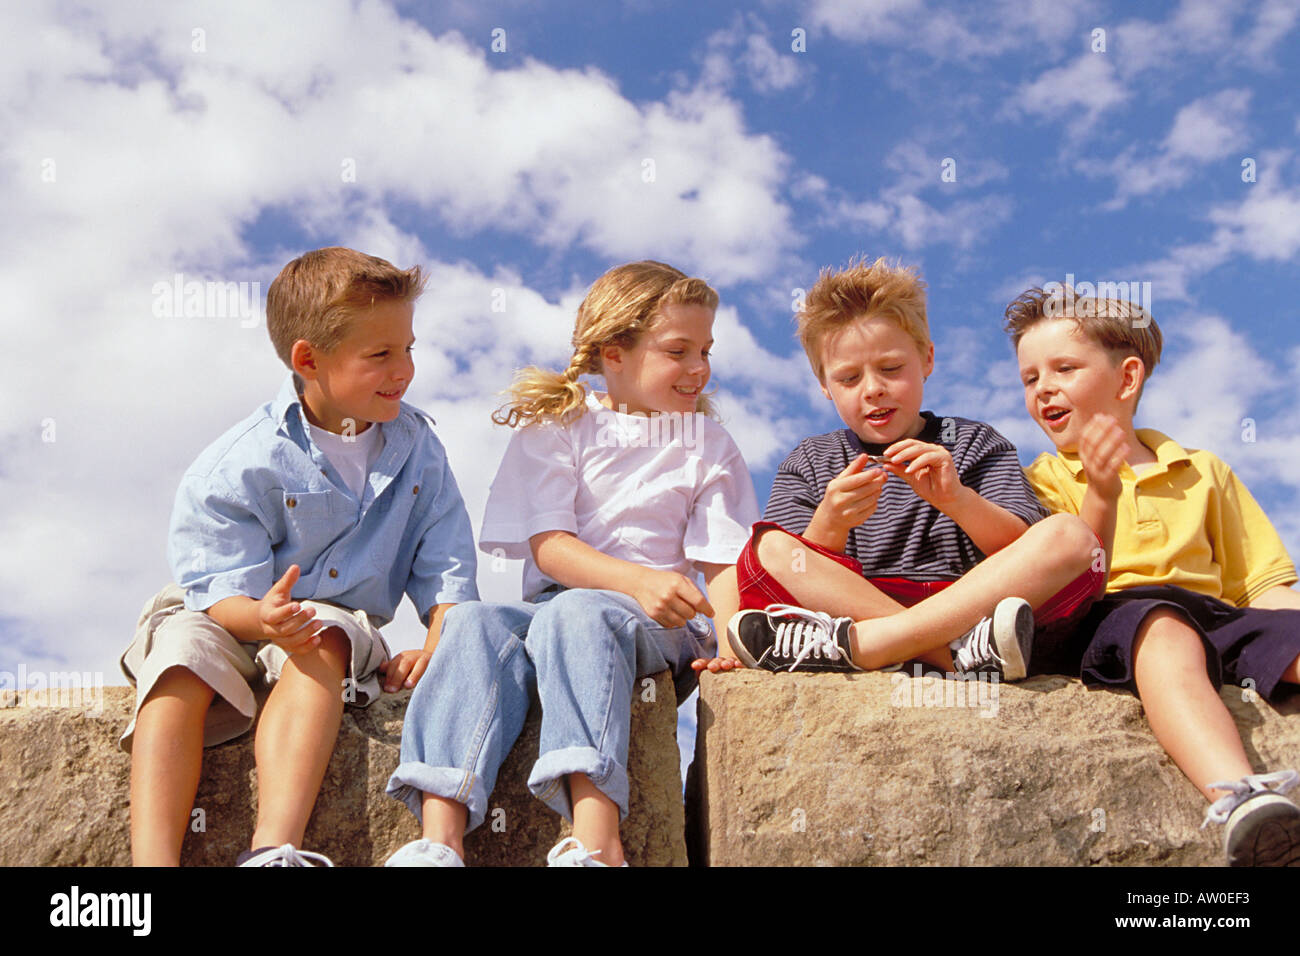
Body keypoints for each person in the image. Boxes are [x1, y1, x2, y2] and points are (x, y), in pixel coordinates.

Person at [385, 260, 758, 867]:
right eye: (678, 350)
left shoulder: (708, 444)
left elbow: (722, 562)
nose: (700, 369)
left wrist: (732, 643)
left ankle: (595, 841)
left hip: (656, 624)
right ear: (615, 353)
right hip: (554, 609)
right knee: (474, 622)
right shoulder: (560, 423)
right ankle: (439, 838)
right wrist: (635, 577)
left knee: (578, 613)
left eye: (705, 351)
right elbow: (550, 547)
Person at [122, 247, 478, 866]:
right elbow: (213, 584)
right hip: (230, 615)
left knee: (322, 636)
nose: (405, 370)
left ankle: (273, 850)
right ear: (308, 360)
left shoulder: (420, 453)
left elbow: (448, 570)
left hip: (331, 625)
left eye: (409, 349)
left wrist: (436, 642)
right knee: (177, 656)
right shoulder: (238, 461)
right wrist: (261, 621)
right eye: (381, 355)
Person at [1009, 282, 1300, 866]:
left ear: (1127, 377)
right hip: (1119, 616)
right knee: (1162, 628)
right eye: (1029, 378)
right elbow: (1059, 577)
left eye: (1063, 367)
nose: (1044, 389)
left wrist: (1286, 637)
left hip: (1218, 616)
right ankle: (1238, 799)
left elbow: (1263, 584)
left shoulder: (1201, 469)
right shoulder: (1040, 478)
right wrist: (1099, 488)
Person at [712, 257, 1101, 678]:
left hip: (971, 606)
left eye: (891, 369)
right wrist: (830, 524)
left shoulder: (972, 441)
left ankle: (874, 646)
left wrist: (958, 500)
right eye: (848, 379)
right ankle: (948, 655)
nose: (874, 388)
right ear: (824, 385)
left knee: (1072, 536)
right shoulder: (811, 459)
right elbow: (789, 575)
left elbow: (1017, 546)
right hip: (860, 604)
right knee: (767, 547)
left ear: (927, 360)